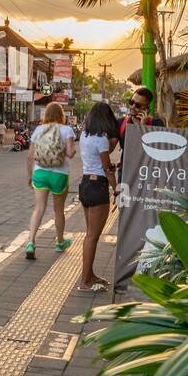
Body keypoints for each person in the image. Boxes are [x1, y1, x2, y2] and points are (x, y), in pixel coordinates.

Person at [77, 102, 120, 291]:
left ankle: (90, 275)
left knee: (90, 235)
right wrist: (116, 189)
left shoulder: (84, 136)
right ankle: (85, 282)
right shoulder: (101, 138)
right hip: (97, 186)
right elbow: (106, 167)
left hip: (85, 184)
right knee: (92, 236)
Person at [25, 101, 76, 260]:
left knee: (38, 209)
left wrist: (29, 176)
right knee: (58, 210)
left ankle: (30, 242)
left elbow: (30, 155)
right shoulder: (67, 130)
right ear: (61, 115)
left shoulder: (39, 130)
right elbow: (70, 153)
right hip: (59, 174)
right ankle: (60, 242)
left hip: (40, 173)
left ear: (45, 115)